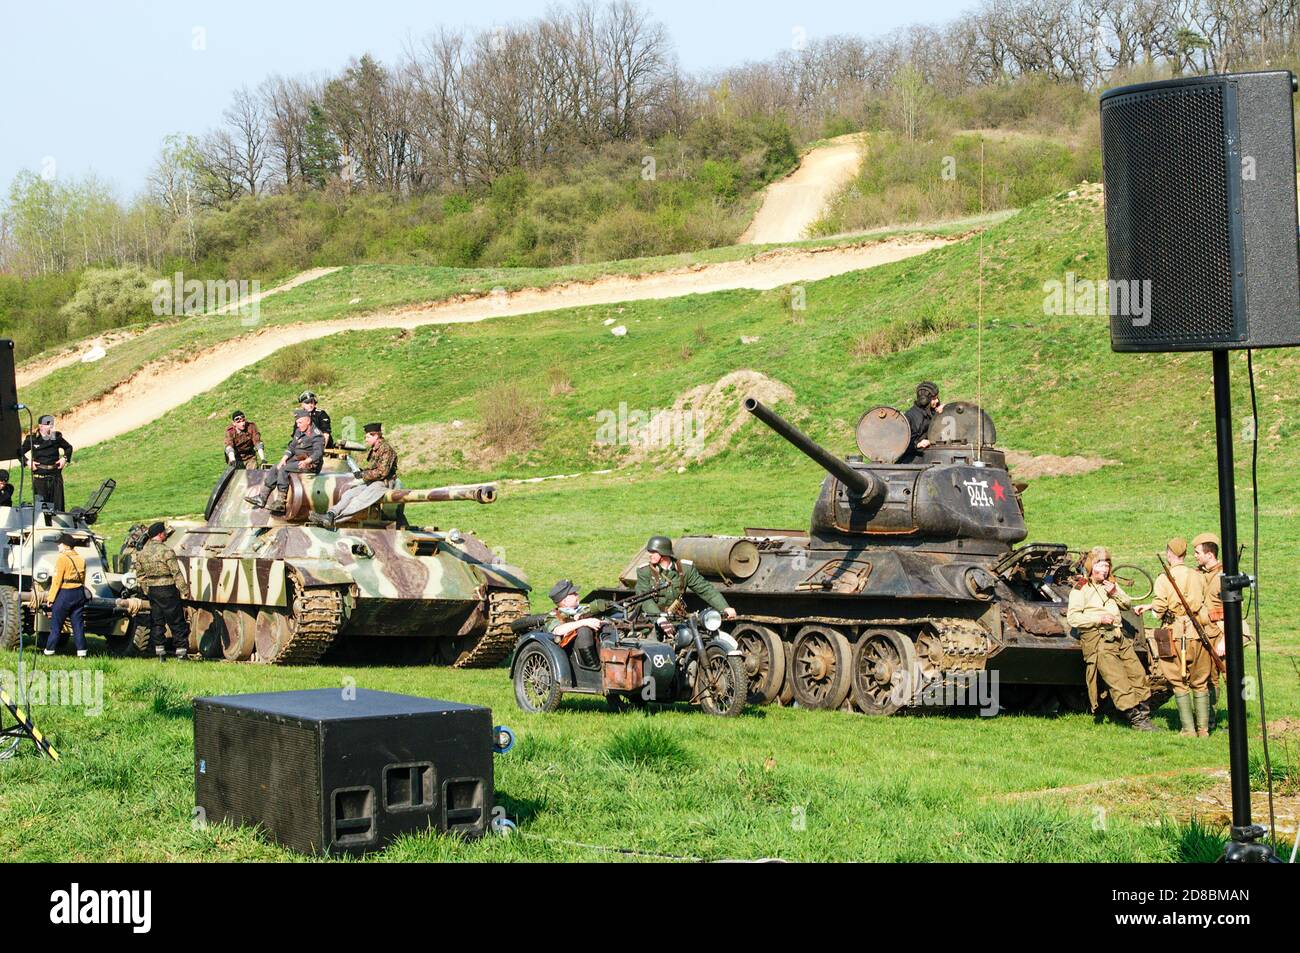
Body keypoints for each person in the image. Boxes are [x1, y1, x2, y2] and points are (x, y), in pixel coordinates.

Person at [1066, 545, 1159, 731]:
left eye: (1107, 565)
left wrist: (1115, 592)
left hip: (1118, 637)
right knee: (1118, 681)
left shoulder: (1111, 585)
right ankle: (1137, 721)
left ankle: (1144, 715)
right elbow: (1073, 618)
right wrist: (1098, 618)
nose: (1105, 569)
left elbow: (1127, 604)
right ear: (1092, 566)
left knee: (1138, 675)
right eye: (1100, 565)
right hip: (1099, 639)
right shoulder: (1081, 588)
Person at [1136, 537, 1208, 737]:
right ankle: (1203, 729)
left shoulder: (1164, 577)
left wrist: (1153, 610)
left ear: (1169, 553)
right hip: (1197, 633)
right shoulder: (1197, 575)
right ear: (1184, 554)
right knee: (1200, 680)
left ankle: (1187, 729)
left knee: (1177, 680)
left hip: (1173, 633)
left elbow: (1159, 608)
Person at [634, 536, 737, 633]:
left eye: (653, 552)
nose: (650, 554)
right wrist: (660, 620)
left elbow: (706, 590)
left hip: (677, 620)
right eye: (649, 551)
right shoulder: (645, 571)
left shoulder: (684, 569)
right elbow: (645, 598)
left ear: (663, 552)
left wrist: (724, 607)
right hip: (651, 622)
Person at [308, 423, 396, 530]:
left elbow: (382, 472)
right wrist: (362, 472)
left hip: (384, 482)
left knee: (359, 501)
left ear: (376, 436)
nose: (366, 439)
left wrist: (363, 474)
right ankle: (330, 514)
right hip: (373, 481)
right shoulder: (376, 448)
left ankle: (334, 520)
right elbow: (374, 470)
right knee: (349, 494)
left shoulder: (386, 449)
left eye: (368, 436)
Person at [247, 409, 325, 514]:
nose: (298, 425)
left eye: (300, 422)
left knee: (284, 469)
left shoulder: (317, 435)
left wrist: (307, 461)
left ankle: (280, 502)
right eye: (297, 422)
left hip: (310, 464)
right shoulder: (299, 431)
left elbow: (318, 453)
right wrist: (284, 458)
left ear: (308, 421)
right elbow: (292, 446)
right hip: (298, 458)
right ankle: (262, 497)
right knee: (276, 467)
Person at [134, 522, 191, 660]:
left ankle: (160, 652)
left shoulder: (142, 553)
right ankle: (181, 653)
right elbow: (176, 572)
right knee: (176, 621)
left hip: (153, 590)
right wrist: (184, 589)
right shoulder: (167, 551)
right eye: (164, 532)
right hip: (168, 589)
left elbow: (140, 575)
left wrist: (147, 590)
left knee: (157, 621)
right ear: (160, 534)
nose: (166, 534)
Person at [1193, 531, 1226, 733]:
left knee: (1233, 677)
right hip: (1208, 634)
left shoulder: (1222, 577)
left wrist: (1226, 640)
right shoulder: (1202, 574)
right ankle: (1210, 721)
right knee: (1211, 679)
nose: (1195, 556)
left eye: (1198, 552)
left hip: (1222, 633)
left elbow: (1233, 611)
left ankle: (1237, 721)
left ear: (1210, 553)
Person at [544, 579, 613, 671]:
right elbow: (558, 630)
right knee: (584, 630)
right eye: (574, 593)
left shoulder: (584, 609)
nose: (578, 595)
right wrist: (584, 622)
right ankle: (594, 669)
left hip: (600, 646)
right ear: (565, 601)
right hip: (574, 652)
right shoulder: (554, 615)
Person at [43, 534, 88, 657]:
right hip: (79, 592)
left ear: (66, 546)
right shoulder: (81, 559)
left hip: (65, 593)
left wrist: (51, 598)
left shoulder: (62, 558)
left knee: (56, 624)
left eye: (60, 544)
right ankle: (81, 652)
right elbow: (83, 579)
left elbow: (57, 581)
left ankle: (49, 650)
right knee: (78, 625)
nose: (58, 545)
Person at [20, 415, 73, 511]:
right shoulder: (32, 439)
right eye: (48, 424)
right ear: (41, 426)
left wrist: (64, 458)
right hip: (40, 478)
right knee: (42, 509)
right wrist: (27, 462)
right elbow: (19, 452)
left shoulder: (55, 437)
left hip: (55, 477)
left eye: (51, 424)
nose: (51, 426)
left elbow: (68, 447)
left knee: (58, 508)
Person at [903, 381, 943, 459]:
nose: (937, 401)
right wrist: (918, 444)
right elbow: (902, 442)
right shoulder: (912, 417)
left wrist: (942, 413)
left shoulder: (931, 410)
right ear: (924, 400)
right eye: (934, 399)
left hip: (931, 452)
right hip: (914, 457)